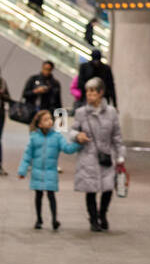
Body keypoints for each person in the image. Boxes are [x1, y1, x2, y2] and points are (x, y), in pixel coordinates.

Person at [18, 109, 86, 230]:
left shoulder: (57, 137)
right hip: (37, 172)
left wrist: (78, 144)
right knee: (38, 196)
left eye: (50, 119)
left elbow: (67, 148)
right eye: (46, 120)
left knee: (51, 196)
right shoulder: (34, 138)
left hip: (51, 172)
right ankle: (39, 219)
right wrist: (22, 170)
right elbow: (27, 155)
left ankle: (54, 219)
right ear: (39, 124)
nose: (49, 121)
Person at [71, 77, 124, 232]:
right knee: (91, 189)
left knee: (108, 188)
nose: (89, 94)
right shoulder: (81, 113)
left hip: (106, 155)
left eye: (93, 91)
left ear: (101, 93)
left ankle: (103, 214)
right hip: (87, 155)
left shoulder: (112, 113)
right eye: (87, 91)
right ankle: (93, 219)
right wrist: (77, 136)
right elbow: (72, 130)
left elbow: (117, 136)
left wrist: (120, 155)